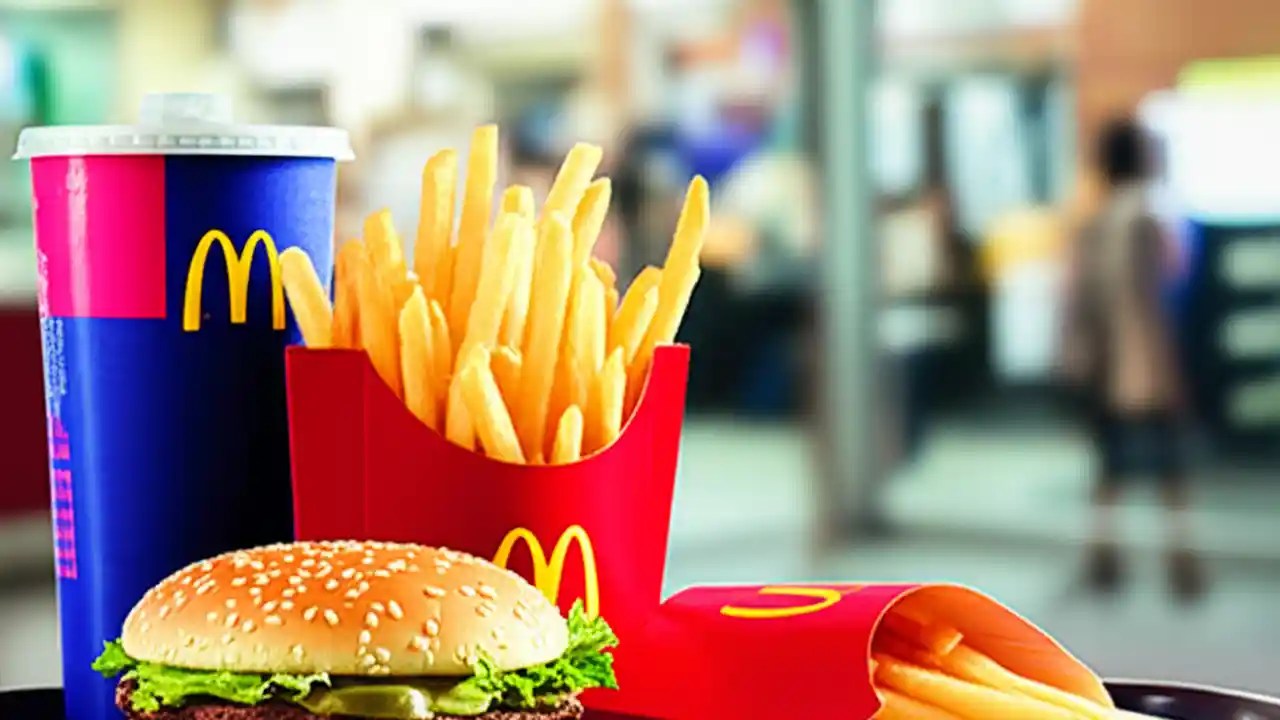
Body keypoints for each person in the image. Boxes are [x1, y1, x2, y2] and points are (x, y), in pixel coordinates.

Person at [1063, 118, 1204, 601]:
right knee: (1170, 468)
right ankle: (1181, 561)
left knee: (1110, 468)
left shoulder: (1095, 221)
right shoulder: (1147, 219)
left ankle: (1104, 556)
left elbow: (1080, 299)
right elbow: (1160, 295)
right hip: (1148, 363)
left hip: (1105, 367)